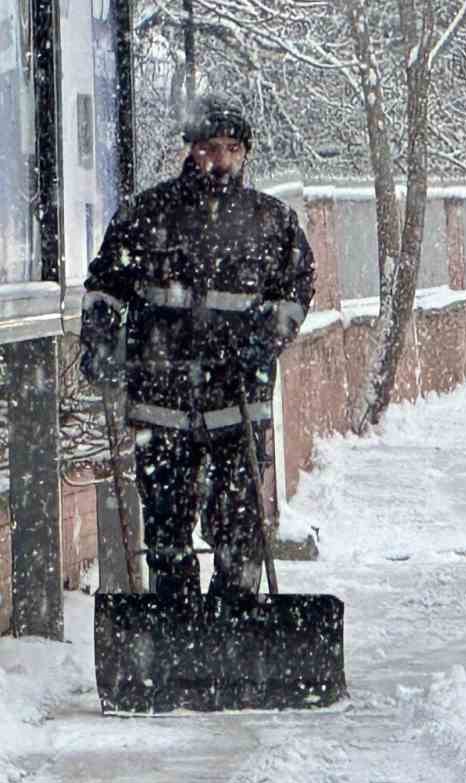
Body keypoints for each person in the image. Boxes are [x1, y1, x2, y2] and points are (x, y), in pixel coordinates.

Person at [80, 95, 316, 602]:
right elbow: (104, 287)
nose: (222, 160)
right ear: (191, 149)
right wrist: (100, 338)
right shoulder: (147, 215)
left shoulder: (271, 222)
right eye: (211, 148)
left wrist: (268, 337)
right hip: (160, 402)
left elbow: (297, 289)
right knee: (166, 534)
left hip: (237, 402)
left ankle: (235, 628)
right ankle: (174, 632)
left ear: (246, 153)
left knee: (239, 530)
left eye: (232, 149)